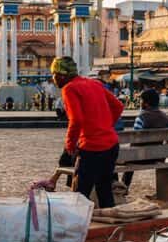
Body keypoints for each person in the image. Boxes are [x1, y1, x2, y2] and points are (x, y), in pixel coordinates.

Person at [52, 56, 124, 208]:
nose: (54, 79)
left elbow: (76, 120)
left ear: (63, 75)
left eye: (55, 75)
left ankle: (78, 227)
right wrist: (106, 125)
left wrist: (70, 145)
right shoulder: (94, 83)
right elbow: (118, 106)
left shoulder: (69, 88)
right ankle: (109, 227)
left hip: (92, 148)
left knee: (80, 194)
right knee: (104, 190)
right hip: (111, 145)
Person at [121, 88, 168, 188]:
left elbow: (135, 140)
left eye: (142, 100)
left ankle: (123, 186)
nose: (140, 102)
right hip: (159, 157)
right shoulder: (166, 118)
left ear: (146, 103)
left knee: (120, 156)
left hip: (139, 158)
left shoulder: (141, 117)